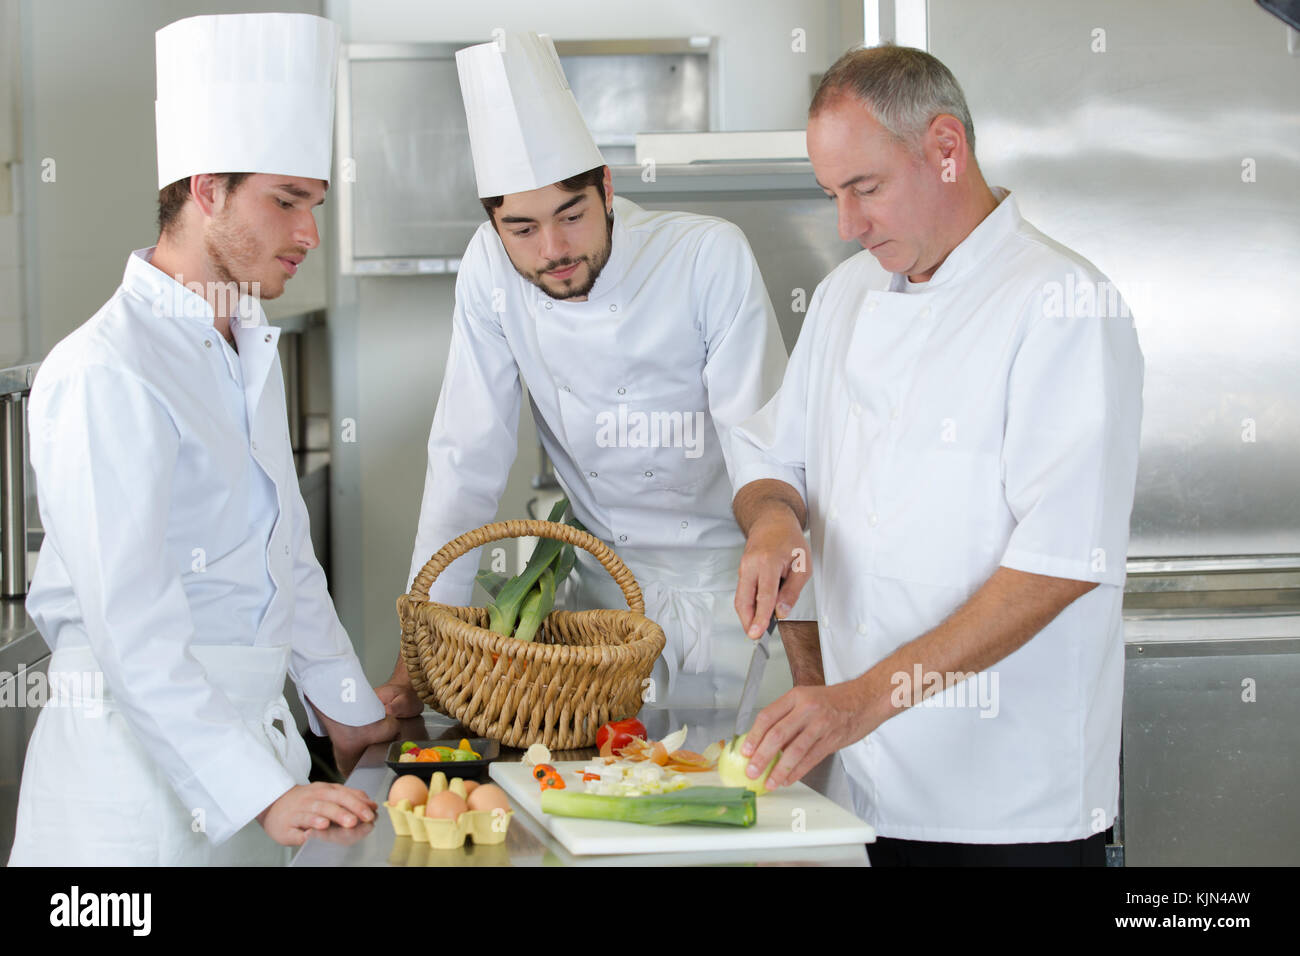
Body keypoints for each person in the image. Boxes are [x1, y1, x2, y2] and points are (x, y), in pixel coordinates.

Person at [729, 45, 1144, 866]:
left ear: (946, 149)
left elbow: (1059, 563)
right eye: (831, 195)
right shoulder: (848, 295)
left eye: (865, 188)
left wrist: (857, 704)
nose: (846, 225)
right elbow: (779, 465)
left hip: (1011, 808)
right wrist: (773, 521)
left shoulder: (1062, 304)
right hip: (863, 793)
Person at [8, 13, 398, 866]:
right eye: (287, 202)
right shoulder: (106, 368)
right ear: (206, 190)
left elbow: (286, 557)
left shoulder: (244, 342)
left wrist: (353, 713)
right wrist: (261, 792)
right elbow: (131, 625)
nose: (310, 236)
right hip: (131, 801)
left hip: (254, 768)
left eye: (315, 205)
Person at [379, 32, 811, 716]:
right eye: (521, 229)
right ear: (493, 226)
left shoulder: (704, 256)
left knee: (743, 797)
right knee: (611, 791)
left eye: (571, 216)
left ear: (606, 188)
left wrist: (774, 530)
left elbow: (760, 439)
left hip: (737, 592)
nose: (552, 250)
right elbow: (465, 461)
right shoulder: (489, 271)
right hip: (605, 615)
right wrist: (413, 666)